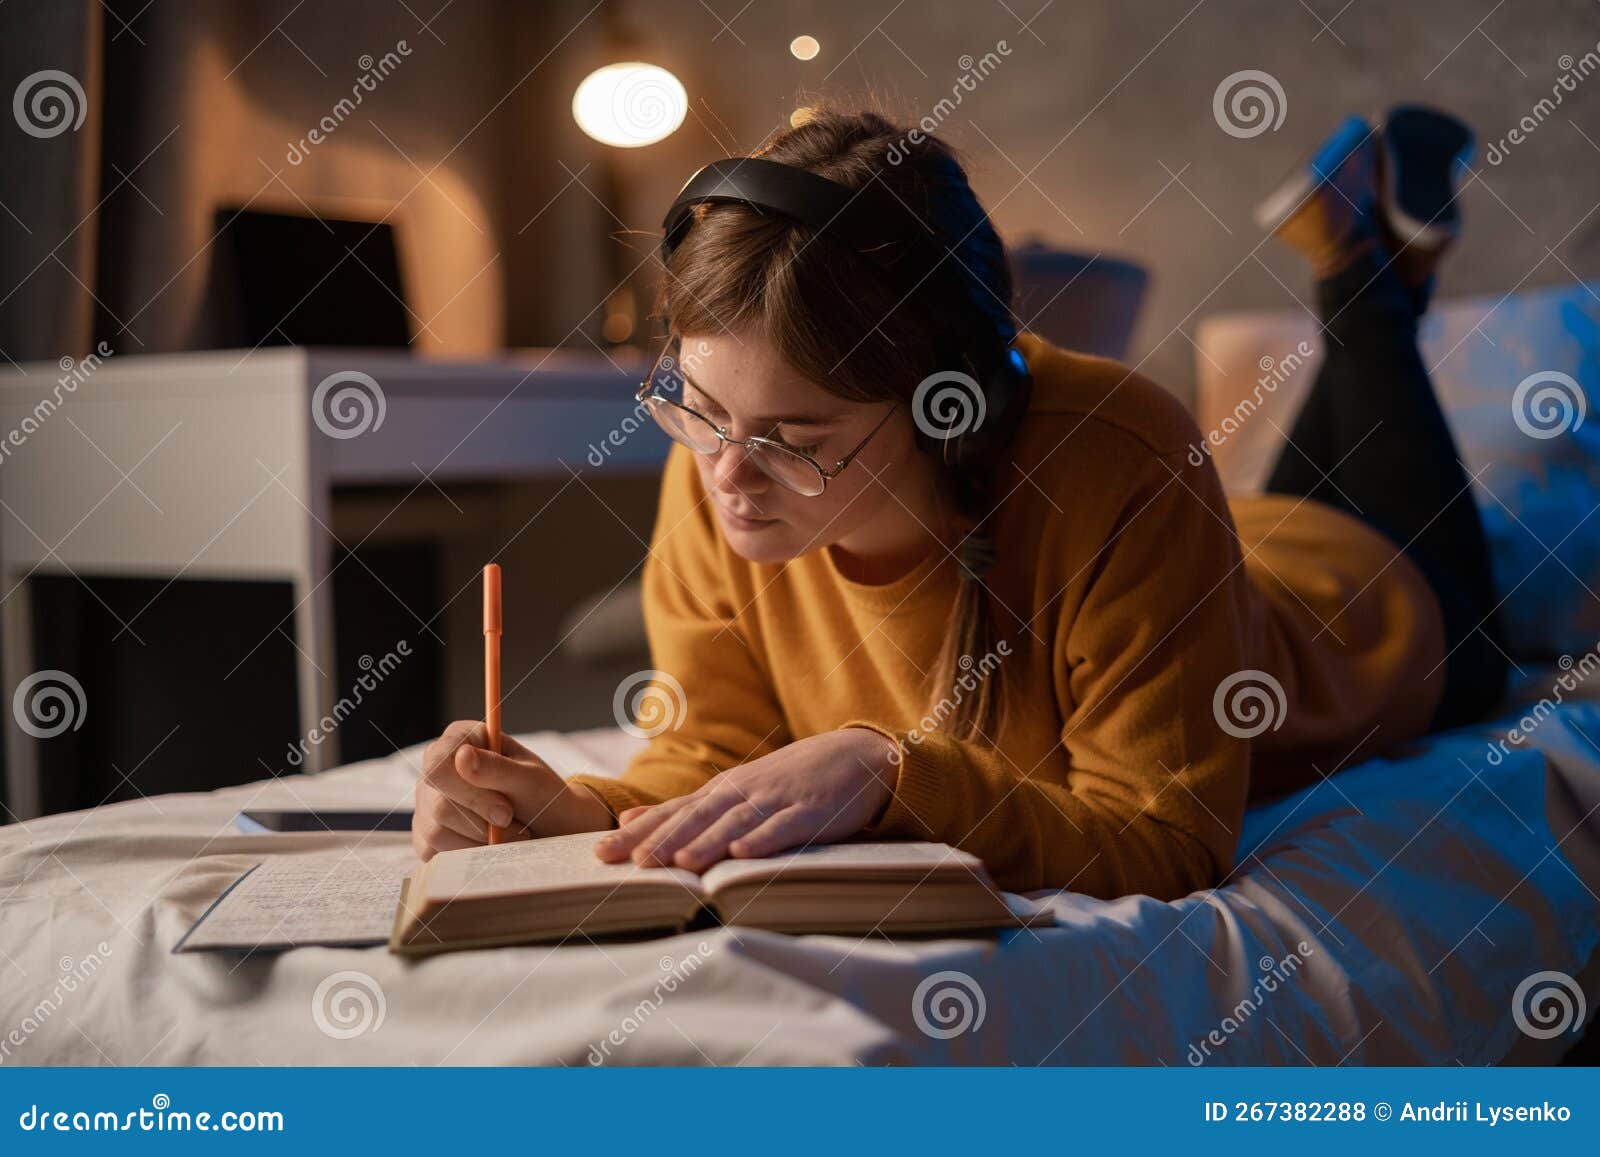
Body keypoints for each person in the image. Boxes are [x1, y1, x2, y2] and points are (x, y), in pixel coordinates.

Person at [410, 106, 1507, 897]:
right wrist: (579, 810)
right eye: (692, 409)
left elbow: (1164, 838)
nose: (724, 477)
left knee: (1407, 469)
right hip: (1230, 552)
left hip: (1370, 611)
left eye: (798, 442)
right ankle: (1374, 257)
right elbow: (710, 749)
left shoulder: (1122, 451)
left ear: (949, 410)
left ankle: (1363, 266)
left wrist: (892, 768)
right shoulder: (720, 453)